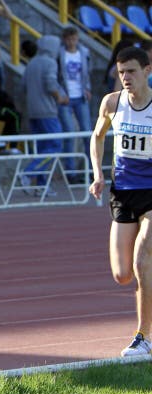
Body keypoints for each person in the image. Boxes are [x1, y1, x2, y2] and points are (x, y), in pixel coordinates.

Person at [89, 46, 152, 357]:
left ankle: (143, 337)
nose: (125, 77)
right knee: (123, 274)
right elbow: (97, 136)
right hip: (122, 192)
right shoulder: (112, 103)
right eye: (121, 71)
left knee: (143, 261)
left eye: (131, 71)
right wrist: (97, 173)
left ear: (147, 71)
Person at [22, 34, 67, 194]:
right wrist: (60, 98)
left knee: (42, 149)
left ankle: (41, 185)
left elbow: (23, 86)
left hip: (33, 112)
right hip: (47, 111)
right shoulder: (50, 63)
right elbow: (50, 84)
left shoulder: (31, 62)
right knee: (55, 146)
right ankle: (29, 172)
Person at [58, 26, 92, 178]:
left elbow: (87, 73)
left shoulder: (83, 52)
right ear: (64, 40)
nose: (72, 42)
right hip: (66, 96)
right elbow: (56, 75)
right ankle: (70, 172)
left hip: (81, 96)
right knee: (69, 134)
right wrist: (60, 93)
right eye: (69, 39)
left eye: (74, 39)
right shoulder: (59, 54)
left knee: (87, 132)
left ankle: (91, 169)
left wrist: (87, 88)